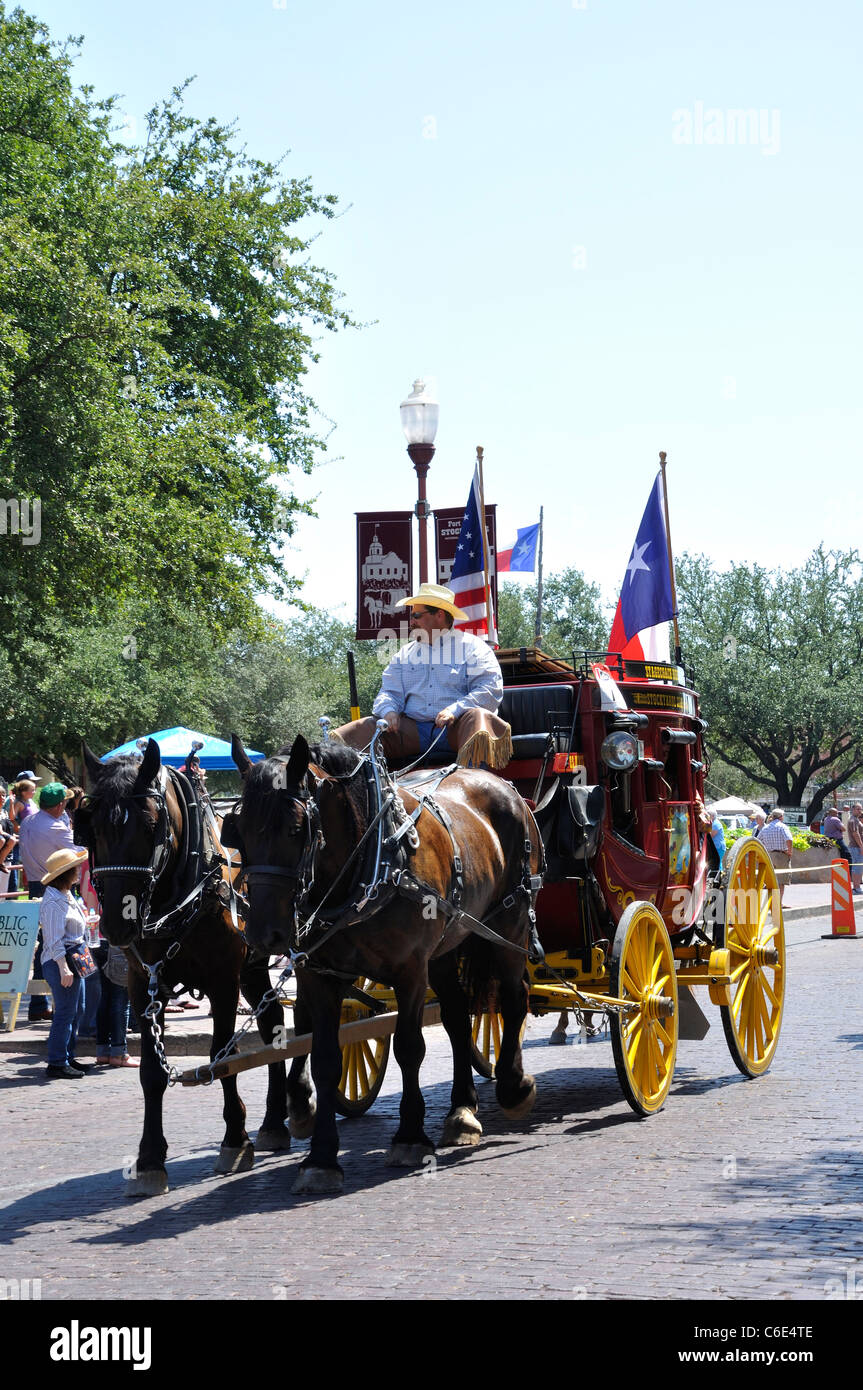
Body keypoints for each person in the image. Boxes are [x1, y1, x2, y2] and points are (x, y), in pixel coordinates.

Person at [334, 583, 513, 768]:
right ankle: (367, 794)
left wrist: (455, 710)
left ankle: (476, 788)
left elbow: (489, 691)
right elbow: (388, 692)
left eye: (416, 615)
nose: (411, 622)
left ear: (440, 615)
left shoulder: (473, 648)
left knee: (478, 719)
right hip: (412, 733)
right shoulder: (404, 654)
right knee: (366, 728)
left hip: (456, 729)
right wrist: (389, 711)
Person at [19, 782, 87, 1021]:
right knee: (64, 939)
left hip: (36, 884)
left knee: (44, 943)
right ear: (60, 805)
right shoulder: (57, 826)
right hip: (55, 883)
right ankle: (64, 1002)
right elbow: (79, 852)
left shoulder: (28, 821)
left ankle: (40, 1003)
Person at [38, 847, 95, 1079]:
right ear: (66, 873)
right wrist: (63, 967)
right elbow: (53, 940)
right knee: (65, 1012)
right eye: (75, 869)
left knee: (76, 1009)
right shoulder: (54, 902)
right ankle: (57, 1061)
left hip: (73, 957)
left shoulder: (66, 895)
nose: (79, 871)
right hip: (62, 960)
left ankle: (66, 1056)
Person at [758, 809, 793, 905]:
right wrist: (790, 851)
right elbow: (789, 839)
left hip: (769, 856)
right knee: (781, 881)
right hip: (781, 855)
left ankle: (770, 902)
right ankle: (778, 903)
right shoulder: (782, 827)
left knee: (770, 881)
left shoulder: (765, 828)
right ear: (781, 816)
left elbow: (758, 840)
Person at [846, 803, 863, 894]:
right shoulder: (853, 820)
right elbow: (855, 834)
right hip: (856, 847)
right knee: (857, 868)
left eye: (860, 809)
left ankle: (857, 887)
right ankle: (856, 888)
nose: (860, 811)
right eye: (858, 809)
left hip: (857, 847)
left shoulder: (856, 820)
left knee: (858, 867)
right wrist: (861, 846)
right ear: (853, 810)